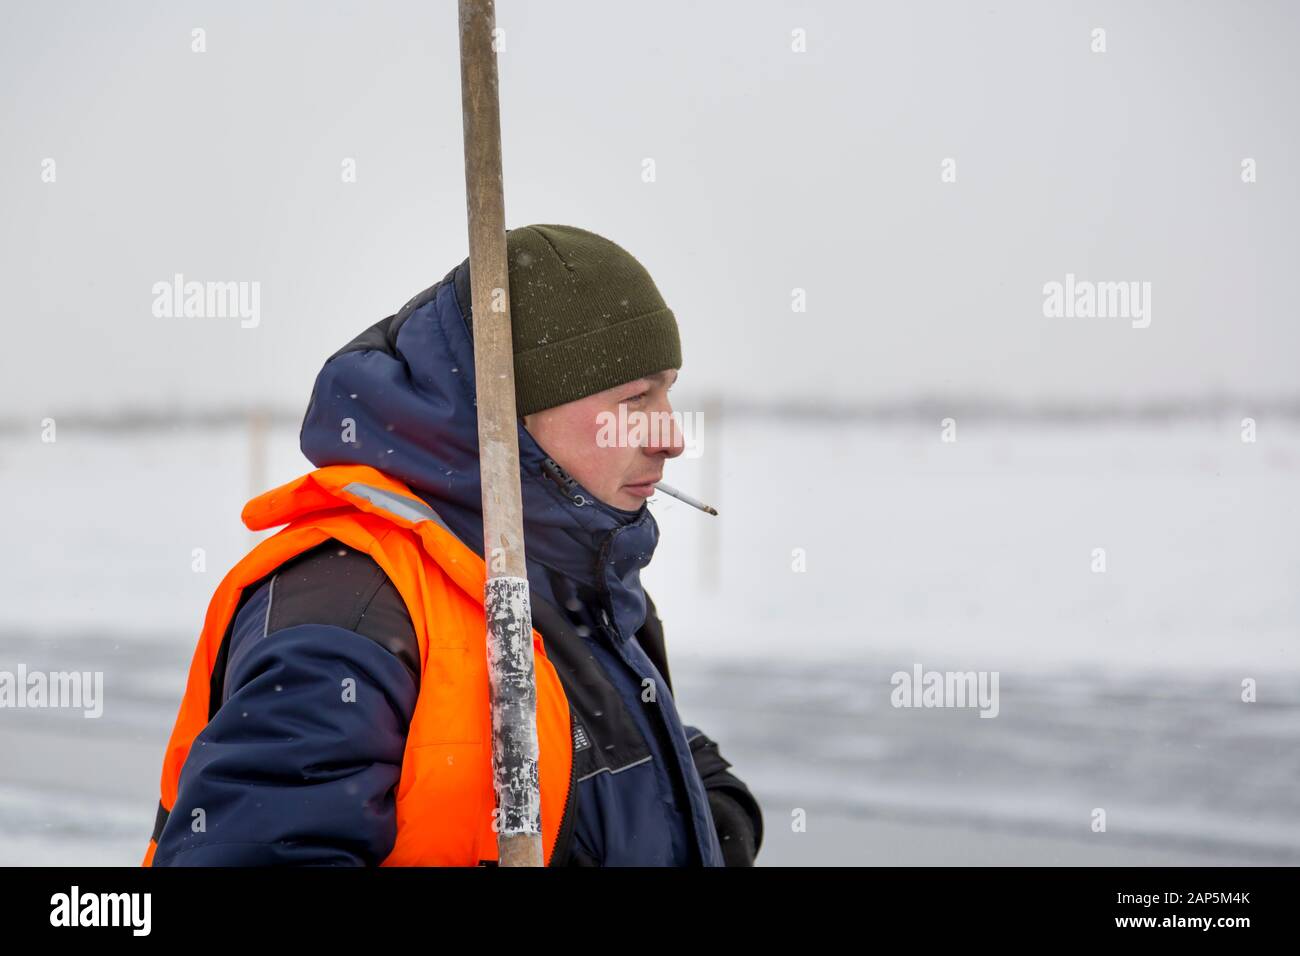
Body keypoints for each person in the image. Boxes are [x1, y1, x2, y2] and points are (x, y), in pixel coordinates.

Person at [143, 224, 763, 867]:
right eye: (635, 398)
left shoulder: (572, 574)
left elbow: (586, 742)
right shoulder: (350, 608)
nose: (672, 436)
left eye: (668, 390)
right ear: (515, 412)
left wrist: (704, 812)